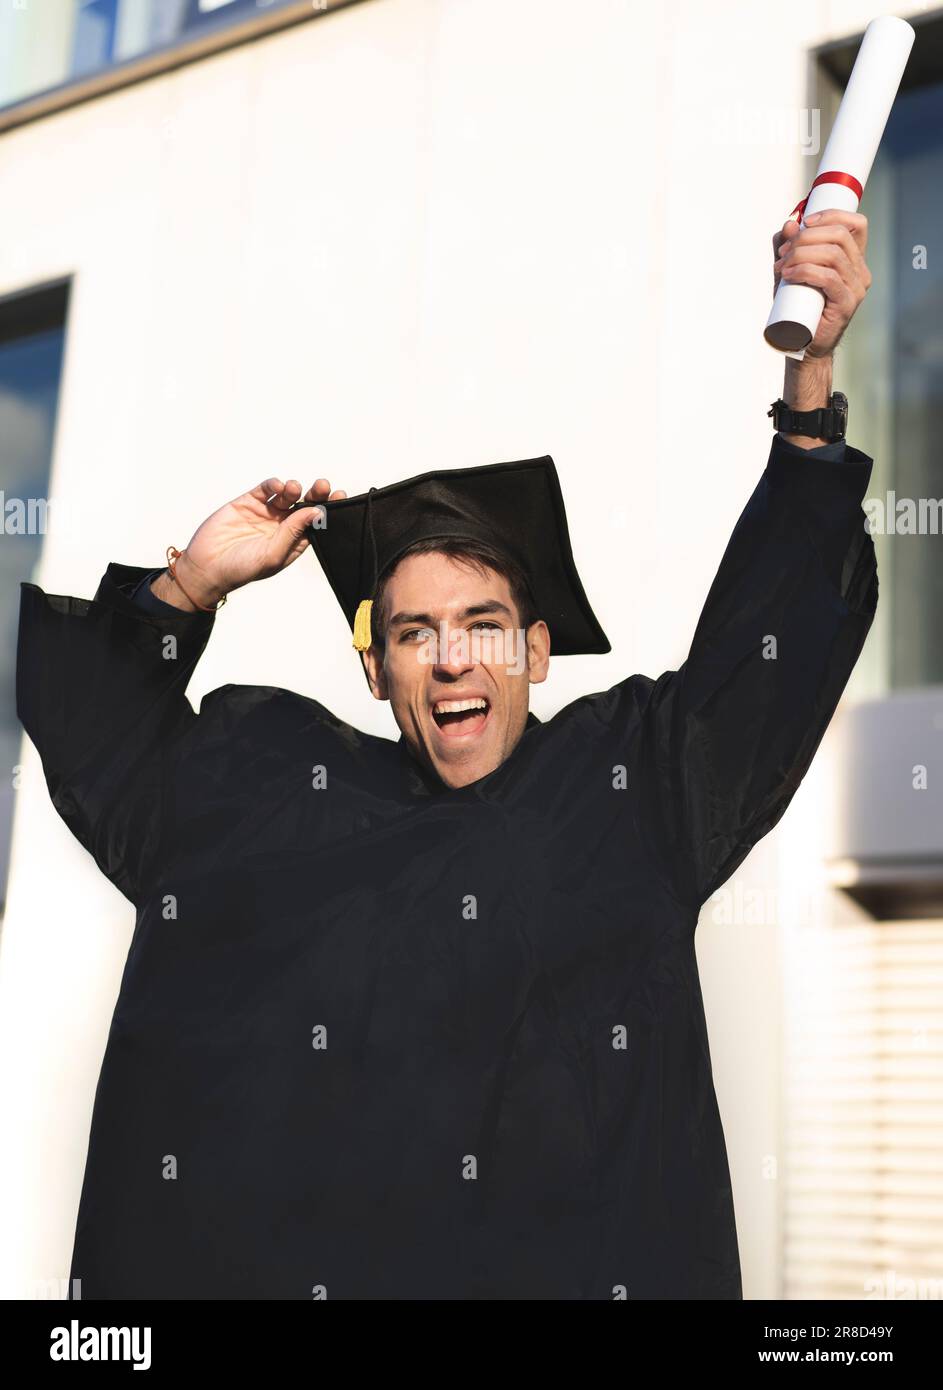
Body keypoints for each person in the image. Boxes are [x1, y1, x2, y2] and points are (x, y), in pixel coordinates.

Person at [16, 212, 877, 1299]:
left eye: (481, 624)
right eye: (413, 633)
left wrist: (810, 387)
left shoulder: (630, 790)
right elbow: (98, 739)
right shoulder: (262, 784)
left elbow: (772, 644)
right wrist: (189, 582)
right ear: (376, 670)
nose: (450, 660)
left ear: (536, 651)